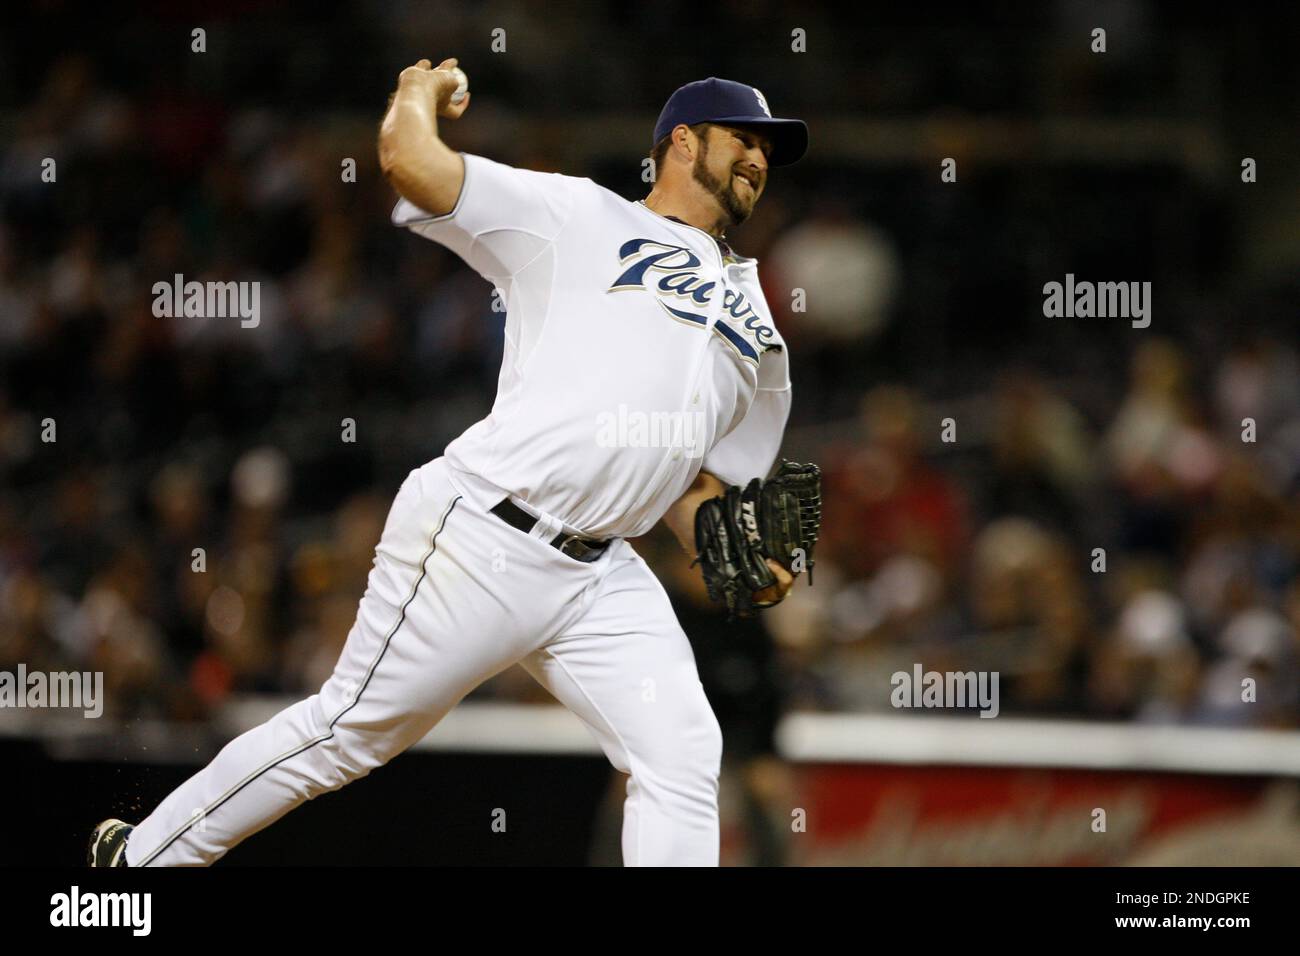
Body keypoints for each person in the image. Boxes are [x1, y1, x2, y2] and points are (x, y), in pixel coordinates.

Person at [88, 61, 808, 867]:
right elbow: (412, 163)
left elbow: (690, 473)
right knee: (346, 734)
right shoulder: (579, 215)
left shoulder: (755, 315)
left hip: (602, 573)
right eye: (744, 139)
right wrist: (416, 91)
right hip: (486, 533)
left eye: (768, 151)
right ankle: (142, 859)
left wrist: (732, 545)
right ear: (682, 141)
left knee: (680, 752)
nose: (758, 159)